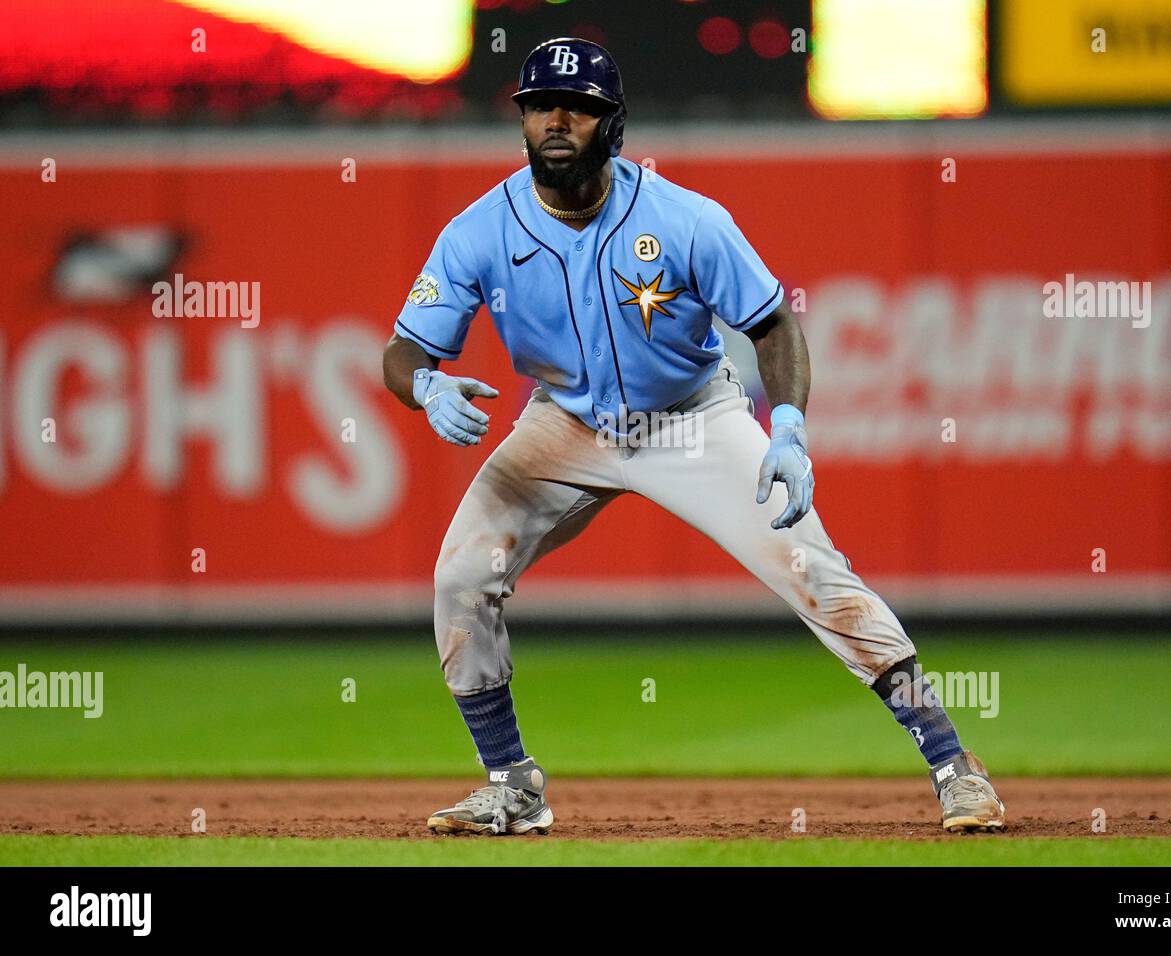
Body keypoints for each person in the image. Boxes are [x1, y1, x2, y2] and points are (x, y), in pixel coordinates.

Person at [382, 38, 1006, 836]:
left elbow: (773, 325)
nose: (557, 119)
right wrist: (426, 385)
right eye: (540, 105)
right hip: (564, 422)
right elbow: (403, 351)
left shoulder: (685, 218)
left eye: (580, 106)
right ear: (524, 121)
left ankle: (955, 765)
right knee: (461, 576)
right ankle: (512, 785)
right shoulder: (477, 231)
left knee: (813, 569)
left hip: (691, 418)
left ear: (614, 124)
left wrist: (785, 427)